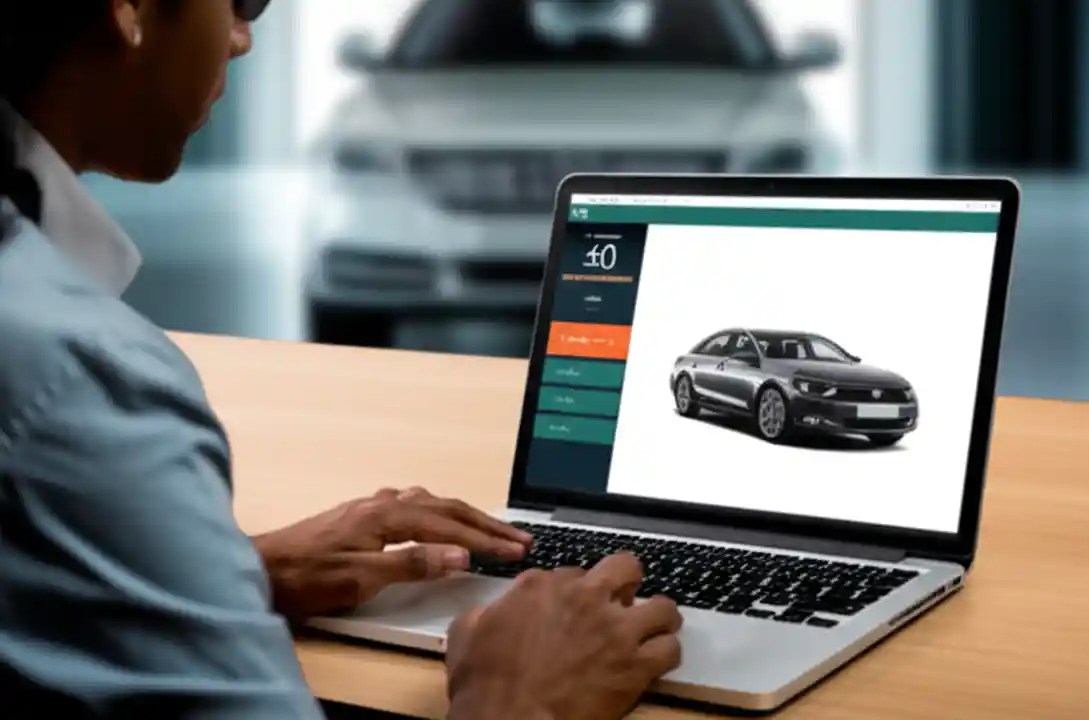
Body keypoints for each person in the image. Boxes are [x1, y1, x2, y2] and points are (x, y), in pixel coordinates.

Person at [0, 1, 683, 718]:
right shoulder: (84, 376)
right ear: (130, 9)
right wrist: (518, 697)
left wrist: (206, 572)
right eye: (242, 2)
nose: (241, 38)